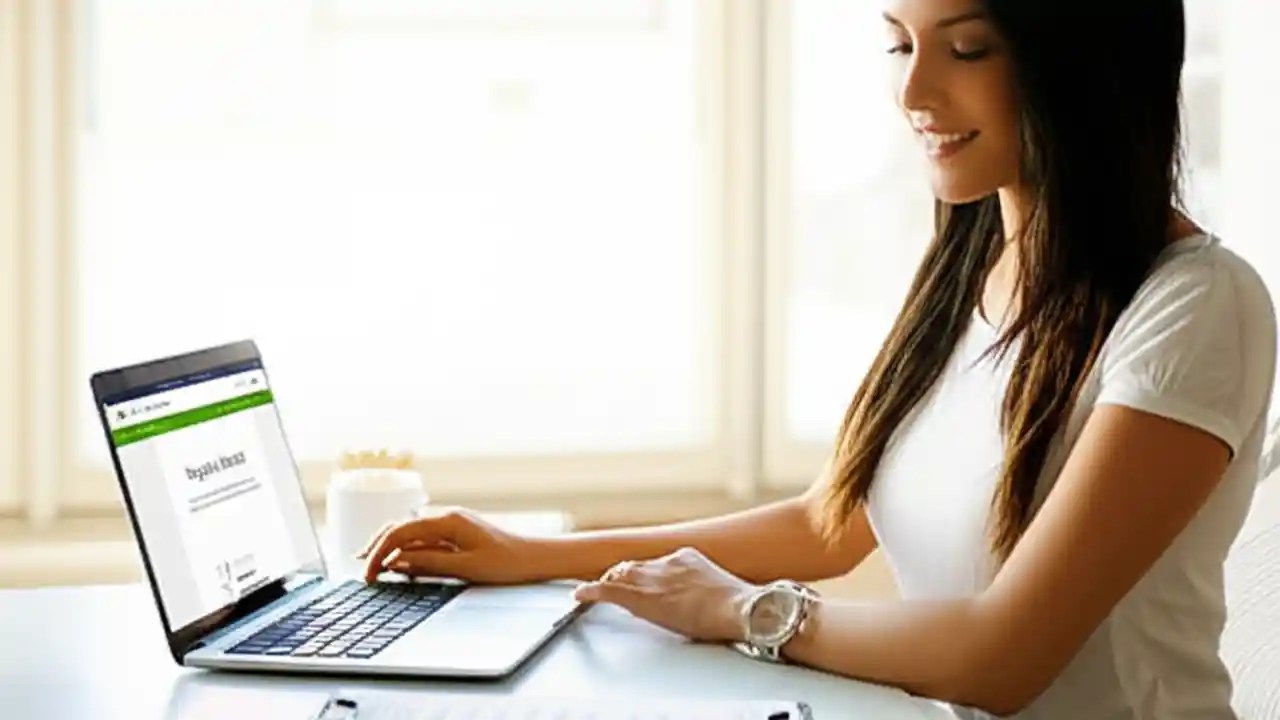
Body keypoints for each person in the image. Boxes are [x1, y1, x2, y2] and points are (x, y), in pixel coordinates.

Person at [359, 0, 1277, 717]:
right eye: (897, 43)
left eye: (966, 50)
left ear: (1083, 61)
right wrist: (534, 556)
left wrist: (739, 612)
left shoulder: (1196, 306)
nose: (915, 94)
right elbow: (828, 527)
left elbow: (1007, 658)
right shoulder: (969, 267)